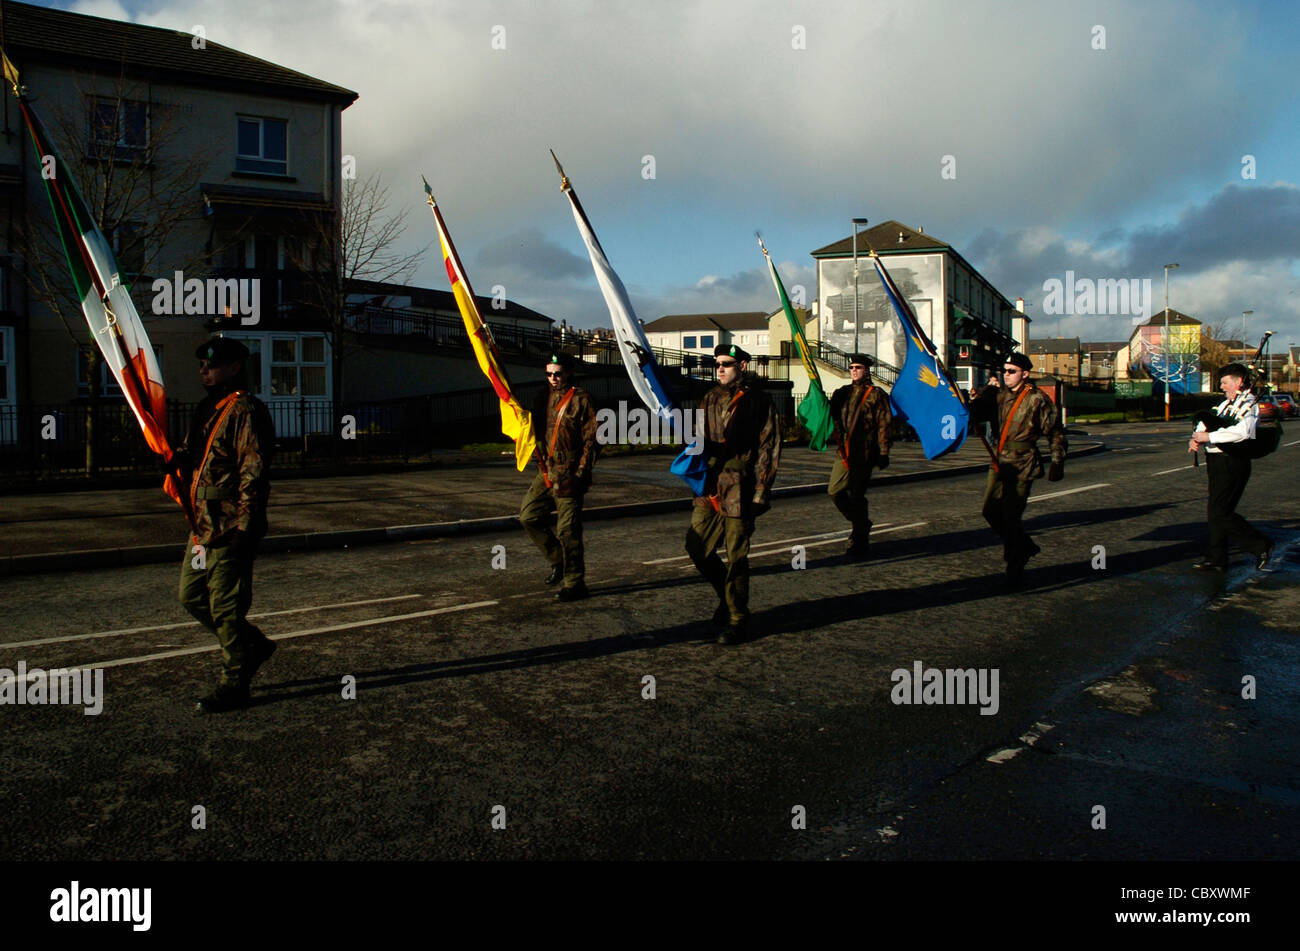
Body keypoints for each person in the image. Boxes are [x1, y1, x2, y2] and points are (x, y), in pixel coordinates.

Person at [175, 337, 276, 713]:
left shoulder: (245, 410)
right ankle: (254, 645)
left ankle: (234, 682)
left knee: (225, 606)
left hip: (230, 526)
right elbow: (196, 455)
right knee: (191, 594)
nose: (204, 371)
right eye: (202, 365)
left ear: (234, 367)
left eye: (212, 365)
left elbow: (253, 472)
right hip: (201, 527)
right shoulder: (208, 408)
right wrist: (175, 460)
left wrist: (245, 528)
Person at [685, 343, 781, 644]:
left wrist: (762, 491)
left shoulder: (758, 400)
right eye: (717, 364)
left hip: (739, 485)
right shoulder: (710, 397)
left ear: (741, 366)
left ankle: (738, 618)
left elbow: (769, 447)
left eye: (726, 363)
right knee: (696, 547)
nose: (720, 369)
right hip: (710, 484)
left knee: (736, 555)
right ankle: (726, 599)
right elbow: (698, 438)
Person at [969, 352, 1066, 585]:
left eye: (1012, 371)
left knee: (1011, 516)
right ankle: (1024, 546)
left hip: (1023, 462)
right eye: (1005, 371)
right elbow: (978, 411)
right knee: (989, 510)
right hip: (1000, 460)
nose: (1006, 375)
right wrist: (980, 395)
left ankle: (1015, 564)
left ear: (1025, 374)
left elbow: (1054, 431)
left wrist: (1057, 461)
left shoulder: (1036, 399)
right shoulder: (1002, 396)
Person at [520, 352, 598, 601]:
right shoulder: (542, 397)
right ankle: (558, 560)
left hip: (570, 473)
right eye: (549, 374)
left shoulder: (581, 399)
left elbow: (592, 440)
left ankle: (574, 583)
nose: (553, 378)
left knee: (568, 530)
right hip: (547, 469)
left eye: (558, 373)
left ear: (569, 373)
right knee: (529, 516)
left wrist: (581, 472)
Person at [1187, 363, 1273, 571]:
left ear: (1238, 382)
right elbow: (1208, 422)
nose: (1222, 386)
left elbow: (1244, 432)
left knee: (1221, 512)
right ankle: (1217, 558)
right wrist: (1196, 438)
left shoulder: (1249, 404)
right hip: (1216, 461)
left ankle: (1261, 545)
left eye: (1225, 382)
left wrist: (1210, 436)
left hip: (1233, 462)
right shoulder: (1225, 404)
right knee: (1215, 511)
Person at [827, 353, 892, 558]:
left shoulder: (876, 395)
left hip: (865, 452)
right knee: (834, 490)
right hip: (844, 451)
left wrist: (884, 452)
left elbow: (884, 424)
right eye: (852, 367)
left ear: (866, 370)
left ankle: (859, 538)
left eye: (858, 367)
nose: (854, 371)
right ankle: (862, 522)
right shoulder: (843, 392)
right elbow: (830, 414)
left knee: (856, 495)